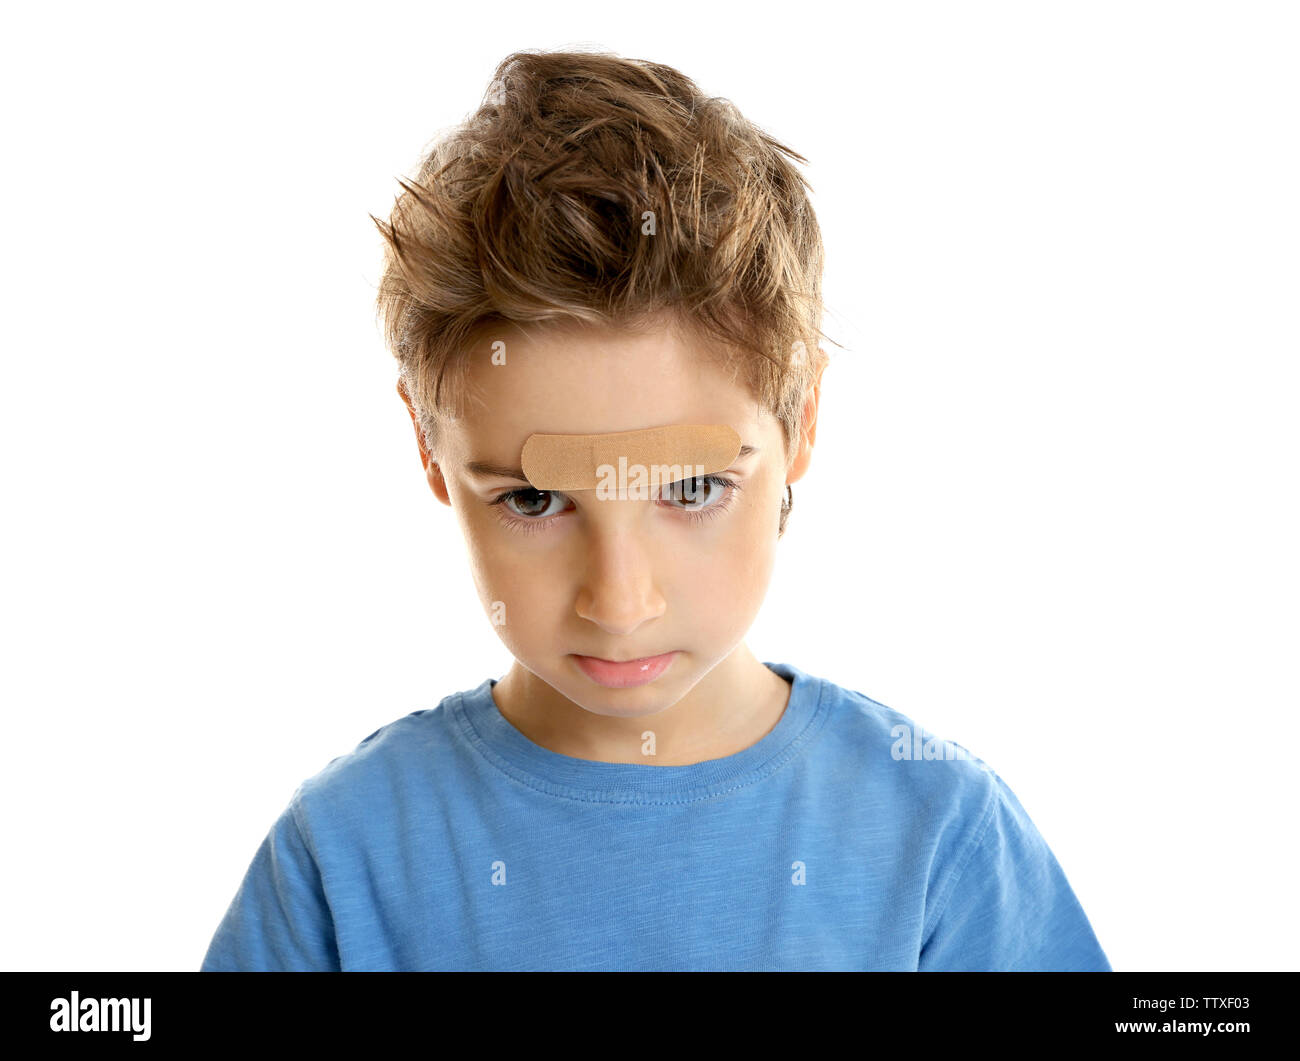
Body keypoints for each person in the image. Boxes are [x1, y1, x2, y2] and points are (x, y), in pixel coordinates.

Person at [201, 48, 1110, 971]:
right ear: (428, 448)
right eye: (534, 497)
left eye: (690, 489)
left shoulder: (939, 839)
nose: (621, 601)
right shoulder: (344, 861)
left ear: (799, 422)